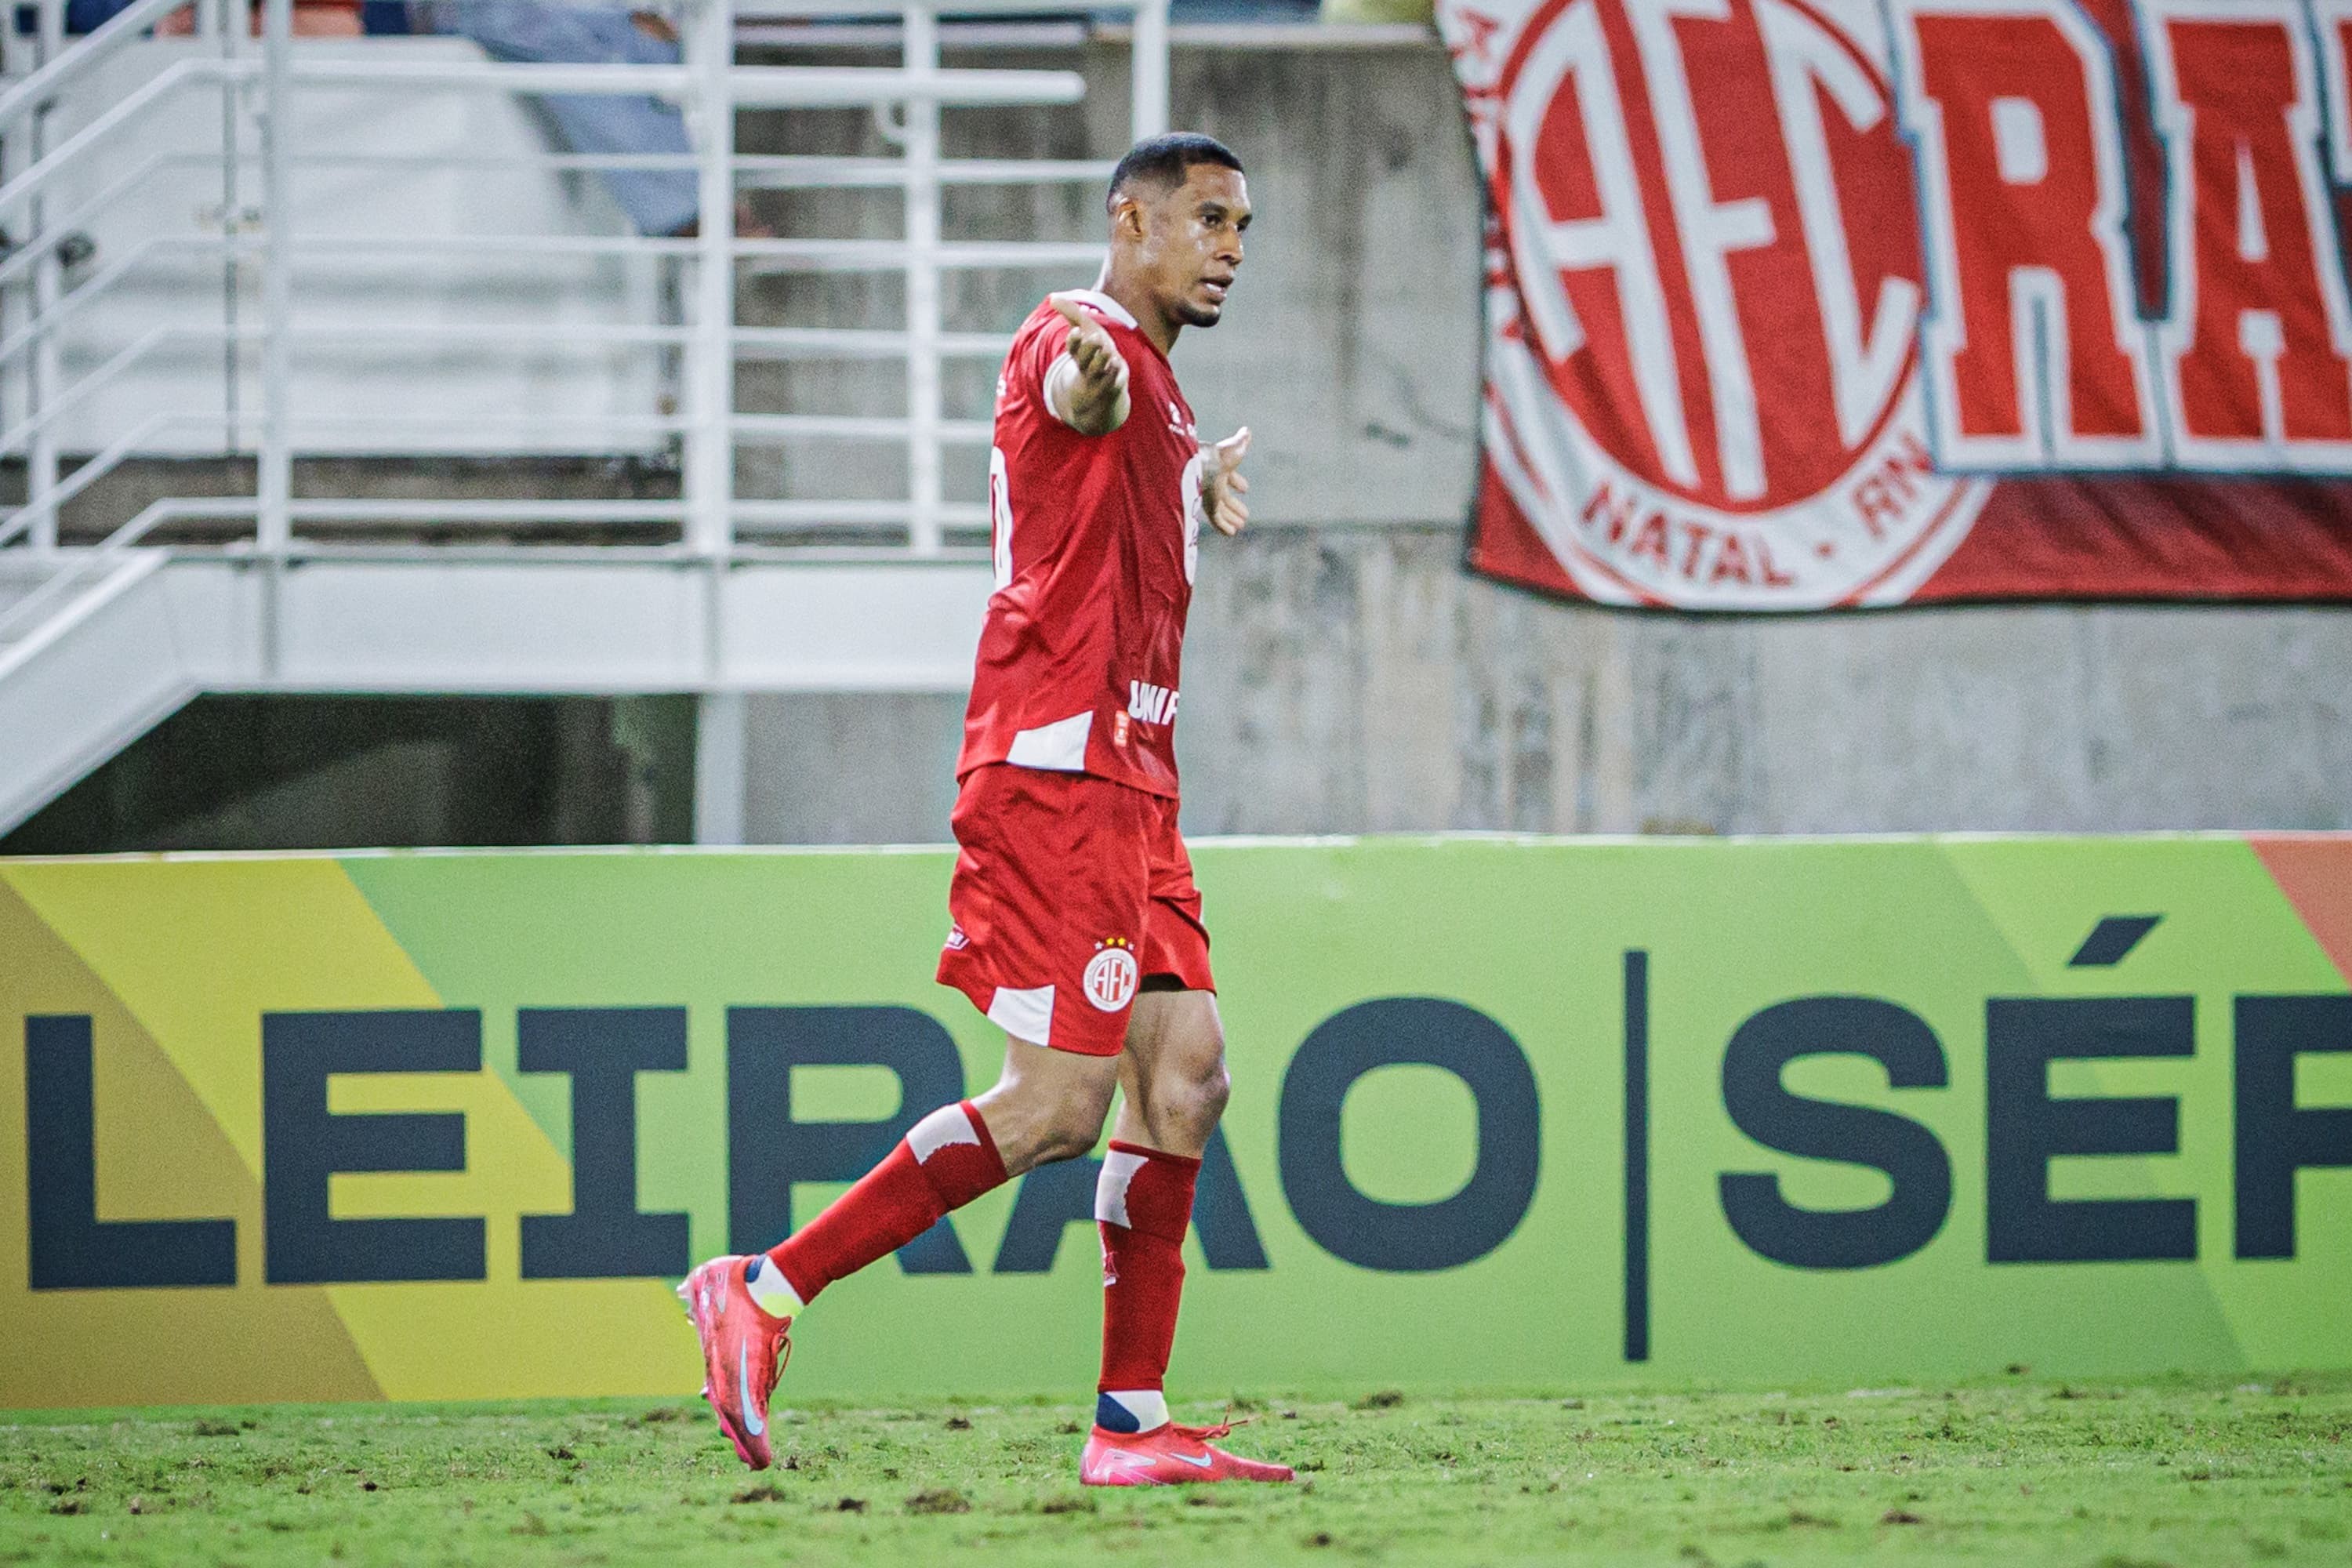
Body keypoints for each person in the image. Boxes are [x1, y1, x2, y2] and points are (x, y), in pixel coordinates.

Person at [677, 131, 1287, 1490]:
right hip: (1060, 770)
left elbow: (1101, 482)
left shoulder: (1168, 398)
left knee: (1185, 1075)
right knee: (1063, 1107)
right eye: (1206, 219)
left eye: (1243, 225)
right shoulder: (1075, 340)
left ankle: (1132, 1428)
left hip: (1136, 780)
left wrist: (1189, 484)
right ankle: (766, 1291)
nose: (1231, 246)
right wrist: (1088, 389)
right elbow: (1071, 400)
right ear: (1129, 221)